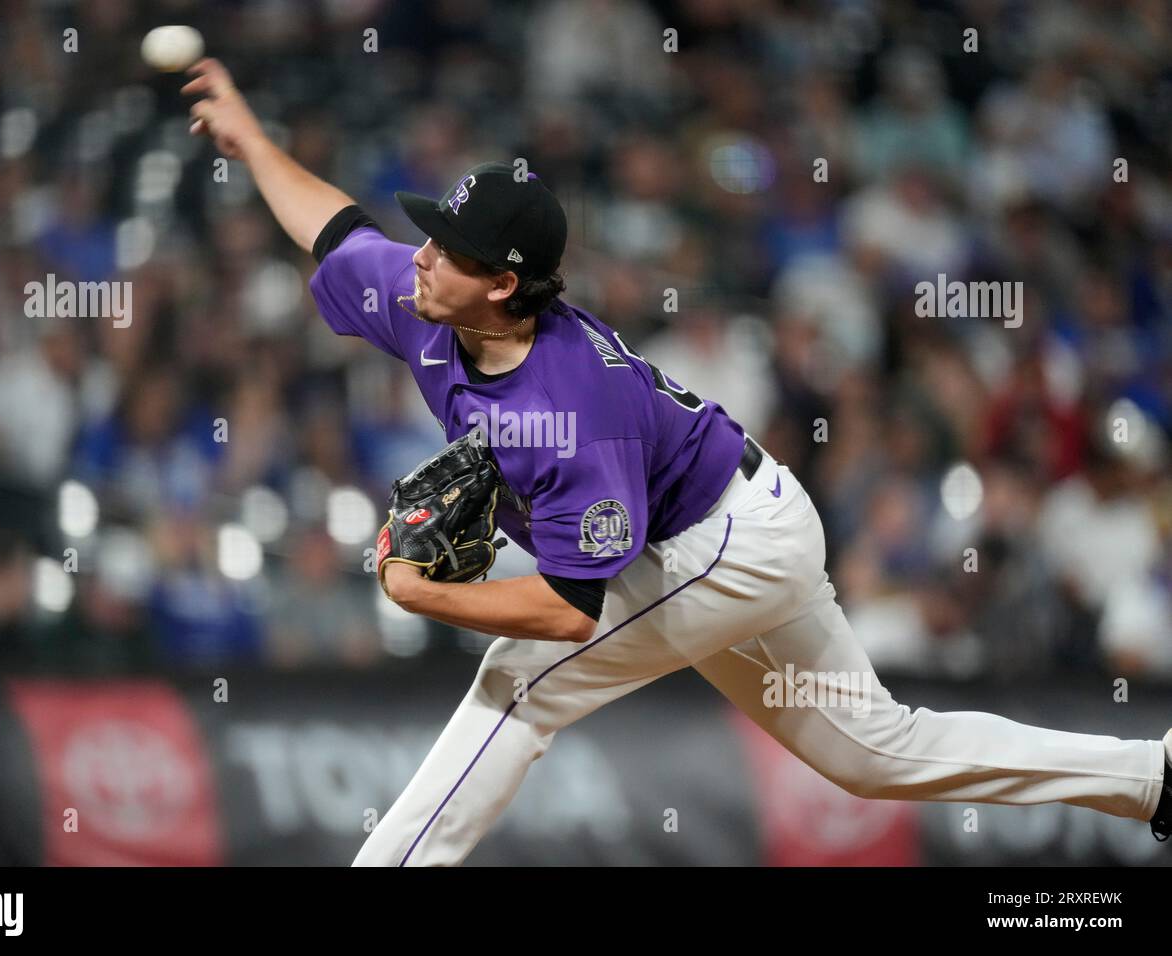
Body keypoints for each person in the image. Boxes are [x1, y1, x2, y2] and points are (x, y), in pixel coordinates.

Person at [183, 58, 1172, 867]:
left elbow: (571, 606)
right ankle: (1154, 775)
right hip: (735, 514)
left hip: (721, 544)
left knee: (522, 678)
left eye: (448, 249)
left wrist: (422, 593)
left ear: (504, 284)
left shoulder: (568, 408)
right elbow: (339, 228)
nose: (422, 257)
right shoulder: (428, 298)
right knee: (875, 752)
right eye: (433, 236)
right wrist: (255, 142)